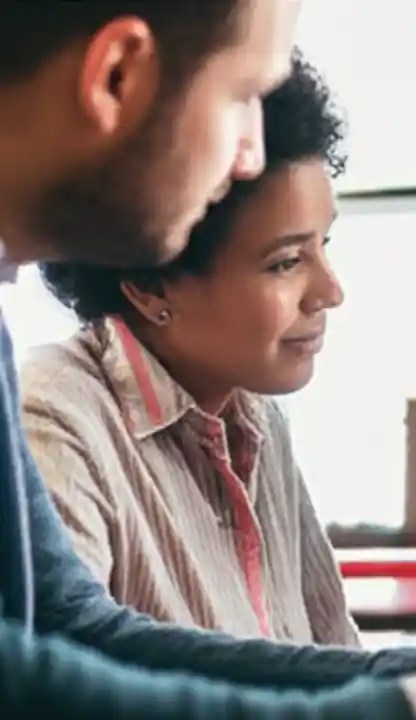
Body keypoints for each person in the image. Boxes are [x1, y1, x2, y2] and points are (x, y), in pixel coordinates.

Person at [0, 2, 416, 718]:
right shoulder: (59, 410)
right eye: (240, 98)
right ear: (117, 76)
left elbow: (75, 630)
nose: (249, 156)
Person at [20, 51, 358, 647]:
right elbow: (61, 684)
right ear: (150, 287)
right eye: (285, 263)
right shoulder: (55, 420)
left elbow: (336, 659)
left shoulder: (255, 418)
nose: (331, 292)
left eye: (324, 245)